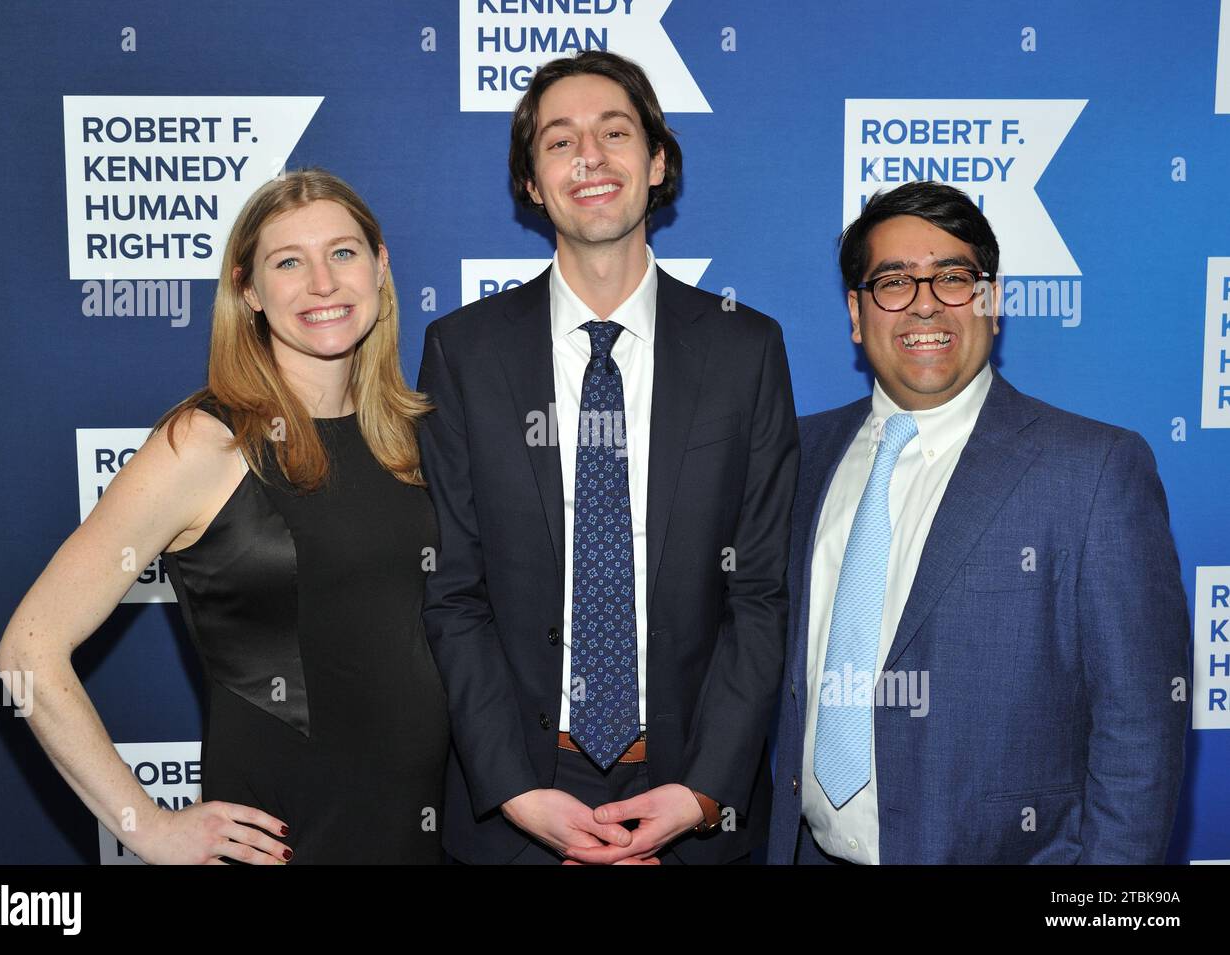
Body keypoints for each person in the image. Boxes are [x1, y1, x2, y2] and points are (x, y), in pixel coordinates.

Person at [0, 169, 448, 864]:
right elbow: (27, 651)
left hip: (425, 832)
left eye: (344, 253)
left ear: (381, 267)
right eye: (288, 262)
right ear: (248, 291)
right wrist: (145, 824)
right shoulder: (207, 442)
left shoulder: (413, 435)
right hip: (283, 842)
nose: (322, 283)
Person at [418, 50, 799, 864]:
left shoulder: (746, 349)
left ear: (657, 163)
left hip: (691, 796)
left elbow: (761, 595)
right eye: (559, 142)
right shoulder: (462, 352)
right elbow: (452, 592)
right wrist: (514, 789)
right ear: (530, 181)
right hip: (514, 801)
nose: (588, 158)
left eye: (614, 133)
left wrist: (702, 792)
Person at [767, 180, 1190, 865]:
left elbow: (1139, 730)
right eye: (894, 281)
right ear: (856, 312)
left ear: (992, 303)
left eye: (955, 278)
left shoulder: (1094, 470)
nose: (926, 302)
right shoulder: (798, 455)